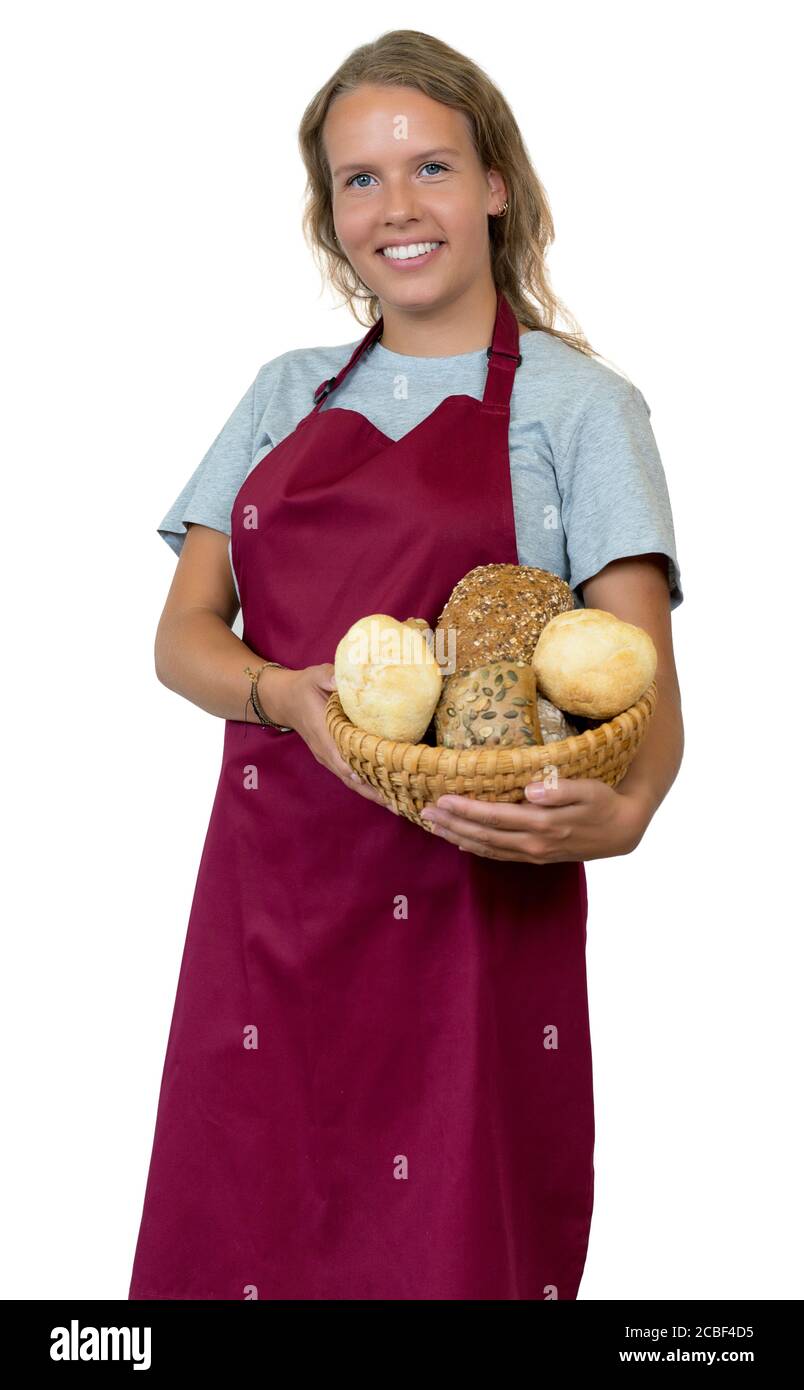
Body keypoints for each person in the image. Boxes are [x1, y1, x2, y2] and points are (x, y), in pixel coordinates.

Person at [129, 28, 684, 1301]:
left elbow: (640, 687)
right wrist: (284, 696)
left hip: (473, 912)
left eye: (431, 166)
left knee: (450, 1255)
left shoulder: (581, 410)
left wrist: (629, 814)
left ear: (496, 183)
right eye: (360, 180)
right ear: (331, 216)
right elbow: (184, 638)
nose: (398, 208)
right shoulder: (284, 390)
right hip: (270, 906)